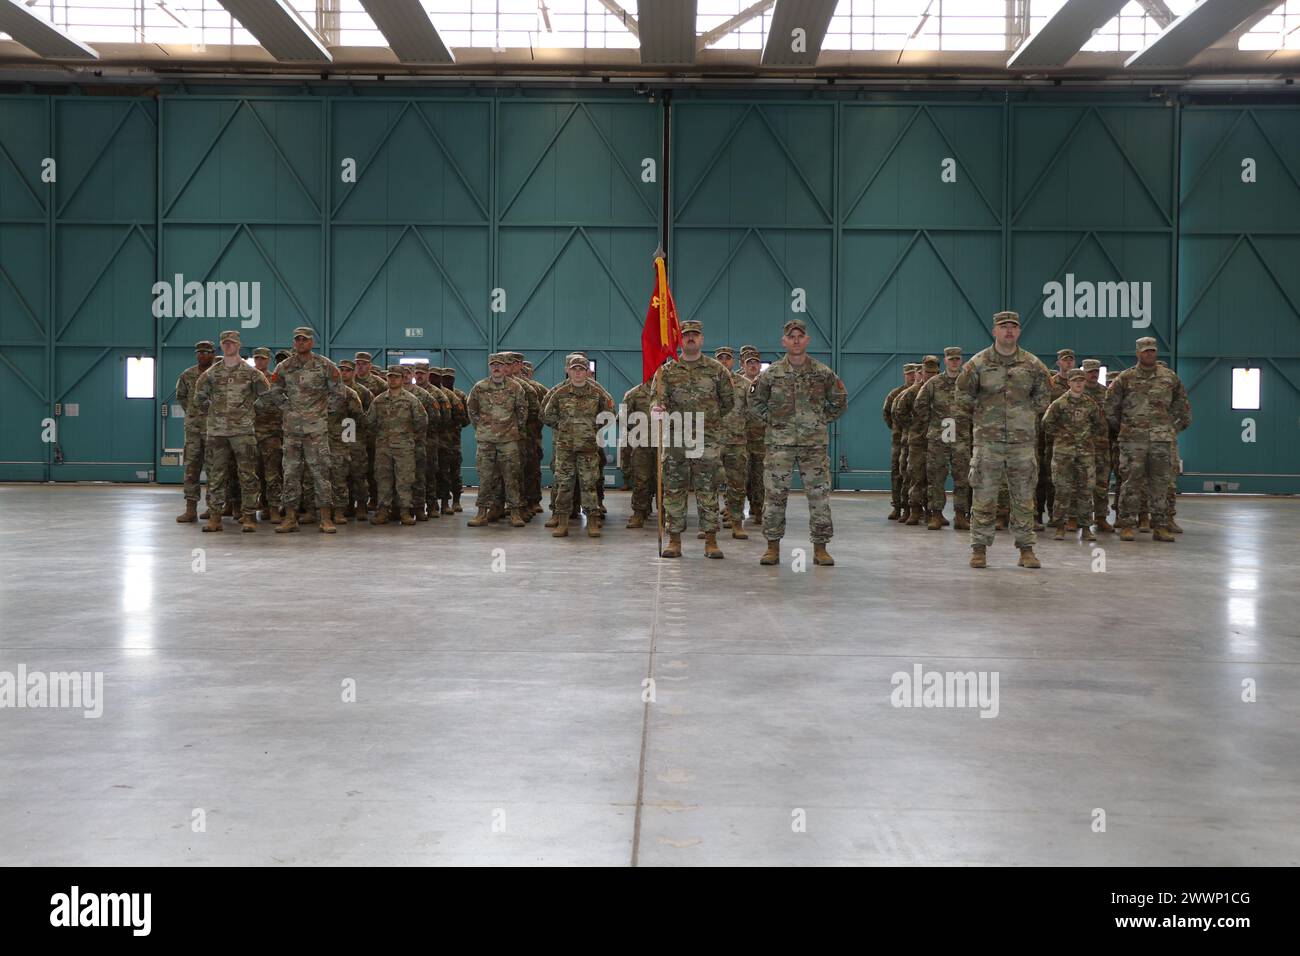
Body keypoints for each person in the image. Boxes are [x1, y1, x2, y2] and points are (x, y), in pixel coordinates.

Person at [749, 318, 848, 566]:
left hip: (813, 446)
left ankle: (820, 548)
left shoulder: (822, 373)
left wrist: (819, 420)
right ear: (784, 341)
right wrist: (773, 421)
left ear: (807, 340)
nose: (795, 340)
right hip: (779, 445)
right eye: (791, 336)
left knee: (819, 497)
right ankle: (772, 547)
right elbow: (755, 402)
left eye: (800, 336)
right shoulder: (771, 374)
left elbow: (839, 400)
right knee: (774, 496)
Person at [956, 311, 1050, 569]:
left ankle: (1026, 550)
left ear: (1019, 332)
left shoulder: (1032, 365)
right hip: (988, 442)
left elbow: (1043, 397)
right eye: (1003, 326)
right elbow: (962, 397)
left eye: (1013, 326)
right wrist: (985, 416)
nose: (1008, 330)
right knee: (984, 496)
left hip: (1021, 443)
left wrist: (1023, 414)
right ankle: (979, 549)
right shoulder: (977, 364)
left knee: (1024, 497)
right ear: (994, 331)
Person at [651, 320, 734, 559]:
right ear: (679, 339)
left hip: (706, 439)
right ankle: (674, 540)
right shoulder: (666, 371)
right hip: (676, 439)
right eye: (686, 335)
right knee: (674, 490)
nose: (690, 338)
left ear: (701, 339)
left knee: (708, 489)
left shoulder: (717, 370)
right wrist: (656, 408)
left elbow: (728, 402)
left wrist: (708, 422)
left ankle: (710, 540)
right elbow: (656, 398)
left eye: (695, 335)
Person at [1104, 337, 1191, 542]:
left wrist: (1170, 429)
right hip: (1133, 441)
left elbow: (1183, 407)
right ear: (1137, 353)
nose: (1149, 354)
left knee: (1160, 483)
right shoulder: (1125, 379)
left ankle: (1160, 526)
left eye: (1152, 350)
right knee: (1130, 482)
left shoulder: (1169, 378)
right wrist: (1124, 428)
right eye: (1145, 351)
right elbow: (1110, 408)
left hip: (1161, 441)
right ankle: (1126, 523)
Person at [259, 326, 342, 533]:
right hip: (292, 430)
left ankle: (325, 517)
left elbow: (339, 393)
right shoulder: (284, 367)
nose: (300, 343)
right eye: (297, 340)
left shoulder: (324, 365)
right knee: (291, 473)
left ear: (312, 341)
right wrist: (289, 410)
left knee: (321, 472)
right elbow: (275, 392)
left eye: (304, 339)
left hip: (316, 430)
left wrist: (321, 412)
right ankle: (290, 518)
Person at [193, 330, 269, 532]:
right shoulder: (211, 373)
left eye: (232, 343)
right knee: (216, 475)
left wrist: (249, 411)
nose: (228, 346)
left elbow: (267, 397)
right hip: (217, 433)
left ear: (238, 345)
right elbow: (198, 398)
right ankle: (215, 517)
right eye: (225, 343)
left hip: (243, 432)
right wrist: (213, 412)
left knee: (247, 475)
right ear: (221, 345)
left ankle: (249, 516)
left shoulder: (252, 373)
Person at [541, 354, 615, 538]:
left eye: (582, 369)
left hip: (588, 447)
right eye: (574, 369)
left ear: (588, 371)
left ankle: (592, 522)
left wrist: (592, 428)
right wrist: (563, 426)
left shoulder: (597, 393)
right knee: (564, 485)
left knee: (589, 485)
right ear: (568, 371)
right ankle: (563, 521)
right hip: (565, 448)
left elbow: (610, 413)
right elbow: (546, 414)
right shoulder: (560, 392)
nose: (578, 372)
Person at [1042, 369, 1107, 542]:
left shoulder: (1090, 404)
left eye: (1081, 380)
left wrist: (1085, 437)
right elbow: (1046, 424)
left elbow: (1099, 426)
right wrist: (1063, 435)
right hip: (1064, 454)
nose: (1078, 383)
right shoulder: (1059, 403)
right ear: (1069, 383)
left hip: (1085, 454)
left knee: (1085, 490)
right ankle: (1060, 527)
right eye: (1075, 381)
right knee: (1062, 490)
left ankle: (1086, 528)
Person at [466, 353, 529, 528]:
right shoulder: (480, 387)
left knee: (511, 477)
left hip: (508, 440)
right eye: (493, 364)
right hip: (486, 440)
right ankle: (481, 513)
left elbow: (522, 410)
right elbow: (472, 409)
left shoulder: (515, 387)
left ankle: (515, 513)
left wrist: (514, 428)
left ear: (505, 367)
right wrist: (482, 427)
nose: (496, 368)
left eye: (499, 365)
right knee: (485, 477)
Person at [918, 347, 971, 531]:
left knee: (962, 477)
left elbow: (979, 406)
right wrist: (932, 425)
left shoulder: (968, 383)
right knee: (936, 477)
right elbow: (920, 406)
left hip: (962, 438)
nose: (955, 362)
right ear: (945, 361)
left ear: (961, 360)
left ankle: (960, 515)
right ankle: (936, 515)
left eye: (957, 359)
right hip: (939, 438)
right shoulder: (934, 383)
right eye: (951, 359)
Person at [366, 365, 428, 525]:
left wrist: (410, 438)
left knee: (405, 480)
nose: (392, 379)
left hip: (404, 447)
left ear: (402, 378)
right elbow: (370, 423)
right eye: (390, 377)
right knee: (383, 479)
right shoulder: (378, 401)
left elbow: (422, 422)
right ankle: (383, 511)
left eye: (396, 377)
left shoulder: (411, 400)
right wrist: (380, 438)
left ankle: (405, 512)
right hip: (383, 448)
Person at [174, 340, 216, 522]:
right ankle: (191, 508)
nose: (202, 355)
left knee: (214, 468)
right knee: (191, 468)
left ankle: (212, 507)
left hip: (213, 428)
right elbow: (181, 396)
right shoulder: (187, 374)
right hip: (193, 429)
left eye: (206, 352)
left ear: (213, 353)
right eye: (199, 352)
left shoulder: (218, 374)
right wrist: (192, 412)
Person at [620, 378, 656, 528]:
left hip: (667, 444)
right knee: (641, 479)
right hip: (642, 445)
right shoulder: (634, 393)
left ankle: (668, 514)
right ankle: (639, 513)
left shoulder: (670, 391)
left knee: (666, 481)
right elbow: (622, 417)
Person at [883, 364, 917, 521]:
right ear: (904, 375)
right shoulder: (895, 394)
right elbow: (887, 415)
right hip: (899, 440)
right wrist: (899, 430)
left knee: (916, 474)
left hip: (917, 440)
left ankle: (916, 507)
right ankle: (898, 507)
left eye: (914, 374)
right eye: (909, 374)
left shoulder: (922, 391)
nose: (912, 376)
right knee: (897, 473)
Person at [739, 346, 766, 525]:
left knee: (759, 476)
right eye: (750, 363)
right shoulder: (738, 384)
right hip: (740, 437)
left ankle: (758, 508)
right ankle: (735, 510)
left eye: (756, 362)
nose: (753, 366)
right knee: (740, 475)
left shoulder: (766, 384)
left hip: (761, 438)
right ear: (744, 364)